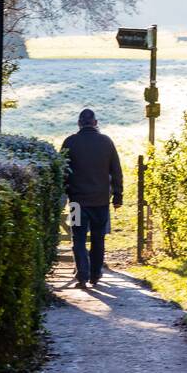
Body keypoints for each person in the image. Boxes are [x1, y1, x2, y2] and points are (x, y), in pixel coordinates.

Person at [60, 108, 123, 288]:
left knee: (78, 238)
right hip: (100, 202)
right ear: (95, 123)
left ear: (79, 124)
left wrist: (64, 193)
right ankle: (95, 274)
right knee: (98, 238)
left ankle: (82, 275)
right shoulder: (106, 142)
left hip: (78, 202)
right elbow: (116, 171)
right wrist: (118, 196)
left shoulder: (70, 142)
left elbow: (63, 171)